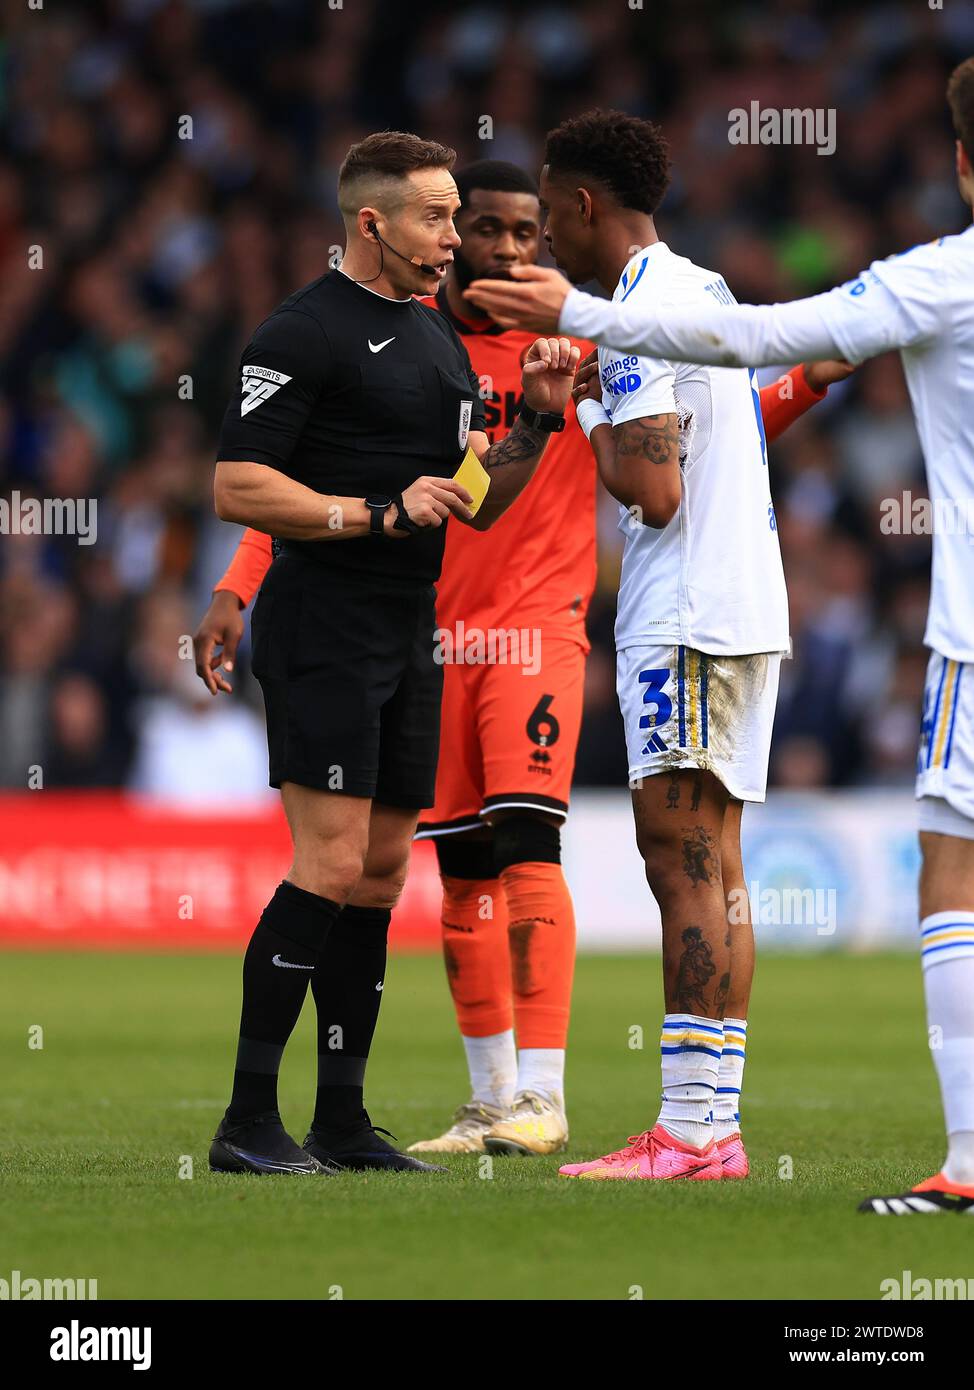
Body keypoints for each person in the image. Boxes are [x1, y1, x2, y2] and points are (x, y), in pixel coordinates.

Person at [196, 156, 837, 1164]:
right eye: (462, 225)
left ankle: (518, 1096)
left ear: (549, 235)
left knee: (507, 848)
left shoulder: (583, 337)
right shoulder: (381, 336)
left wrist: (551, 413)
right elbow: (294, 474)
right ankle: (452, 1100)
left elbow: (701, 432)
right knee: (426, 869)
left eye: (506, 231)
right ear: (383, 224)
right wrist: (239, 583)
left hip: (525, 630)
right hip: (409, 627)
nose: (481, 246)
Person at [469, 60, 974, 1211]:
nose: (542, 241)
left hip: (688, 613)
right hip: (737, 609)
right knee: (710, 863)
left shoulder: (642, 313)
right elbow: (744, 416)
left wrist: (576, 402)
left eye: (547, 218)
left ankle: (695, 1127)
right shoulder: (688, 286)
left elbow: (651, 488)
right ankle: (706, 1121)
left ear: (584, 207)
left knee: (682, 857)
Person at [208, 131, 579, 1176]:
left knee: (376, 876)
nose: (453, 238)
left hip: (406, 630)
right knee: (325, 862)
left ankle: (339, 1120)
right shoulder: (303, 330)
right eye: (434, 217)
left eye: (456, 216)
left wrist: (536, 432)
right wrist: (372, 512)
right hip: (321, 619)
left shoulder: (437, 345)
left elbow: (464, 500)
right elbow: (239, 485)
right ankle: (245, 1121)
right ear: (370, 222)